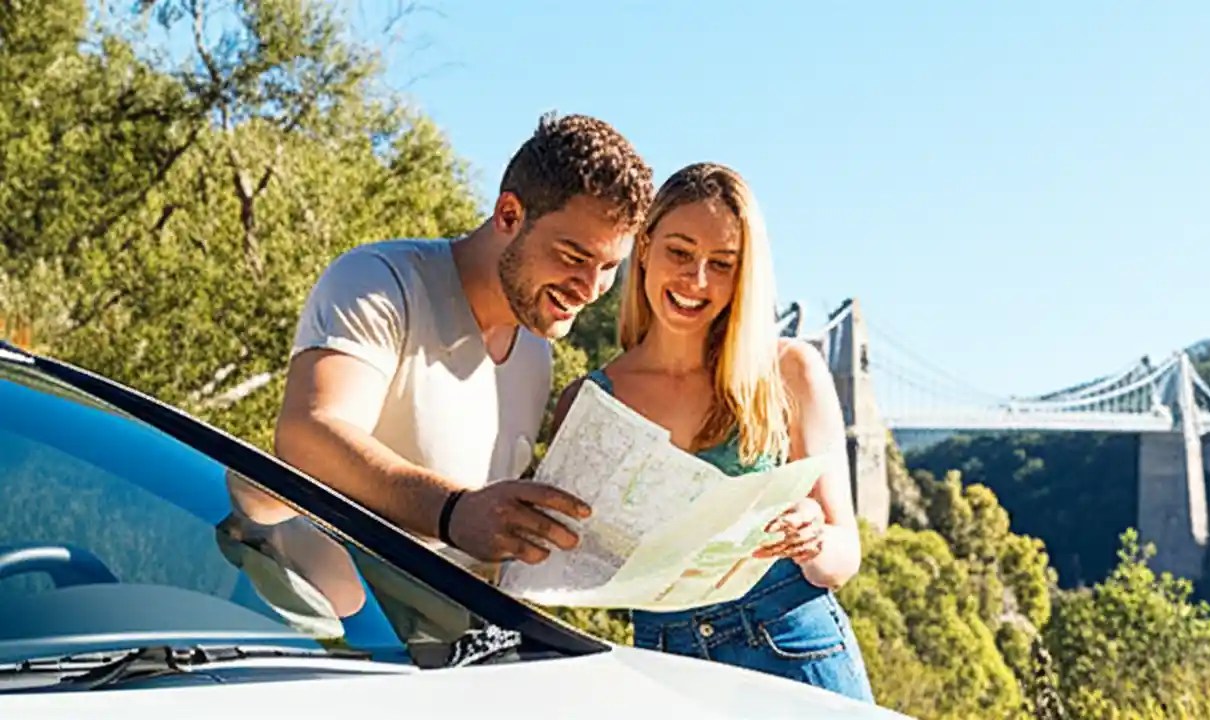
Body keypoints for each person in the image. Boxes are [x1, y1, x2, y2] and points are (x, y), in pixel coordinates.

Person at [272, 112, 655, 586]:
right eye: (574, 258)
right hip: (323, 633)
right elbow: (307, 434)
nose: (589, 288)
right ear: (509, 215)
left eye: (608, 267)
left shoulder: (536, 352)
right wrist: (454, 511)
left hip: (440, 647)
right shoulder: (379, 283)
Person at [551, 162, 875, 703]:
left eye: (721, 264)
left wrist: (813, 542)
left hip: (794, 647)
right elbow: (573, 561)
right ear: (646, 245)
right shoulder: (591, 402)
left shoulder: (790, 371)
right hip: (662, 660)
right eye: (680, 252)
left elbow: (844, 555)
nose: (696, 281)